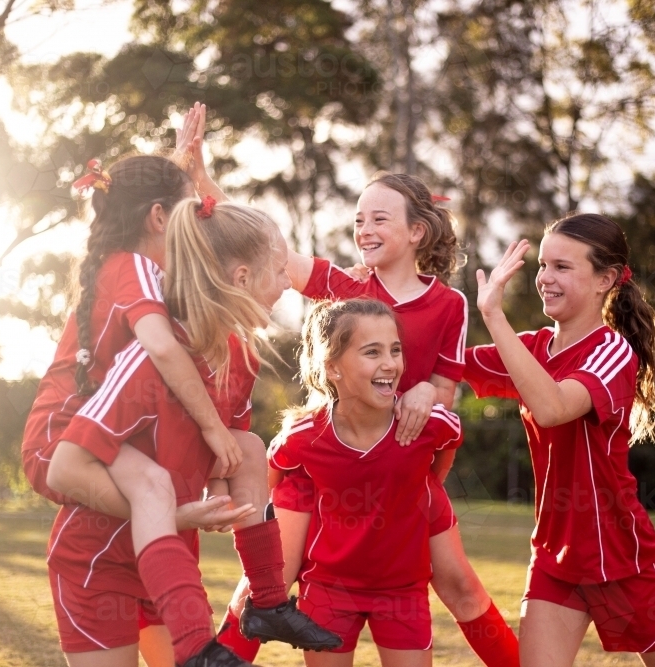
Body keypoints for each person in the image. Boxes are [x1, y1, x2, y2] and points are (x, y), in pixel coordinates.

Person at [217, 172, 519, 666]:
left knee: (461, 586)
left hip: (404, 462)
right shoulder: (347, 287)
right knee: (268, 578)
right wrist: (206, 183)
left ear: (417, 232)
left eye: (380, 218)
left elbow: (443, 394)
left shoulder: (450, 304)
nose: (365, 229)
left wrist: (425, 390)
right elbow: (263, 247)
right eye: (359, 220)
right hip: (324, 463)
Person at [44, 196, 338, 667]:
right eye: (281, 271)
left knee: (247, 443)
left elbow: (225, 456)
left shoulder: (241, 357)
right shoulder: (145, 363)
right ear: (242, 279)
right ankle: (202, 650)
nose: (289, 283)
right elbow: (62, 470)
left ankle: (266, 602)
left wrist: (221, 501)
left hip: (165, 563)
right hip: (100, 563)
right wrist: (175, 513)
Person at [463, 213, 655, 667]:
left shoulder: (612, 352)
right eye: (543, 266)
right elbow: (438, 355)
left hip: (620, 557)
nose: (546, 279)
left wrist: (493, 315)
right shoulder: (530, 349)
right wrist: (372, 291)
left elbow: (553, 407)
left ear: (605, 280)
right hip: (557, 558)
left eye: (562, 267)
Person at [268, 298, 463, 666]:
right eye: (372, 352)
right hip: (327, 590)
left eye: (395, 350)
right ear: (333, 367)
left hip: (403, 592)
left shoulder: (429, 424)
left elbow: (445, 452)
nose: (390, 363)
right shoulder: (303, 436)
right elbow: (272, 477)